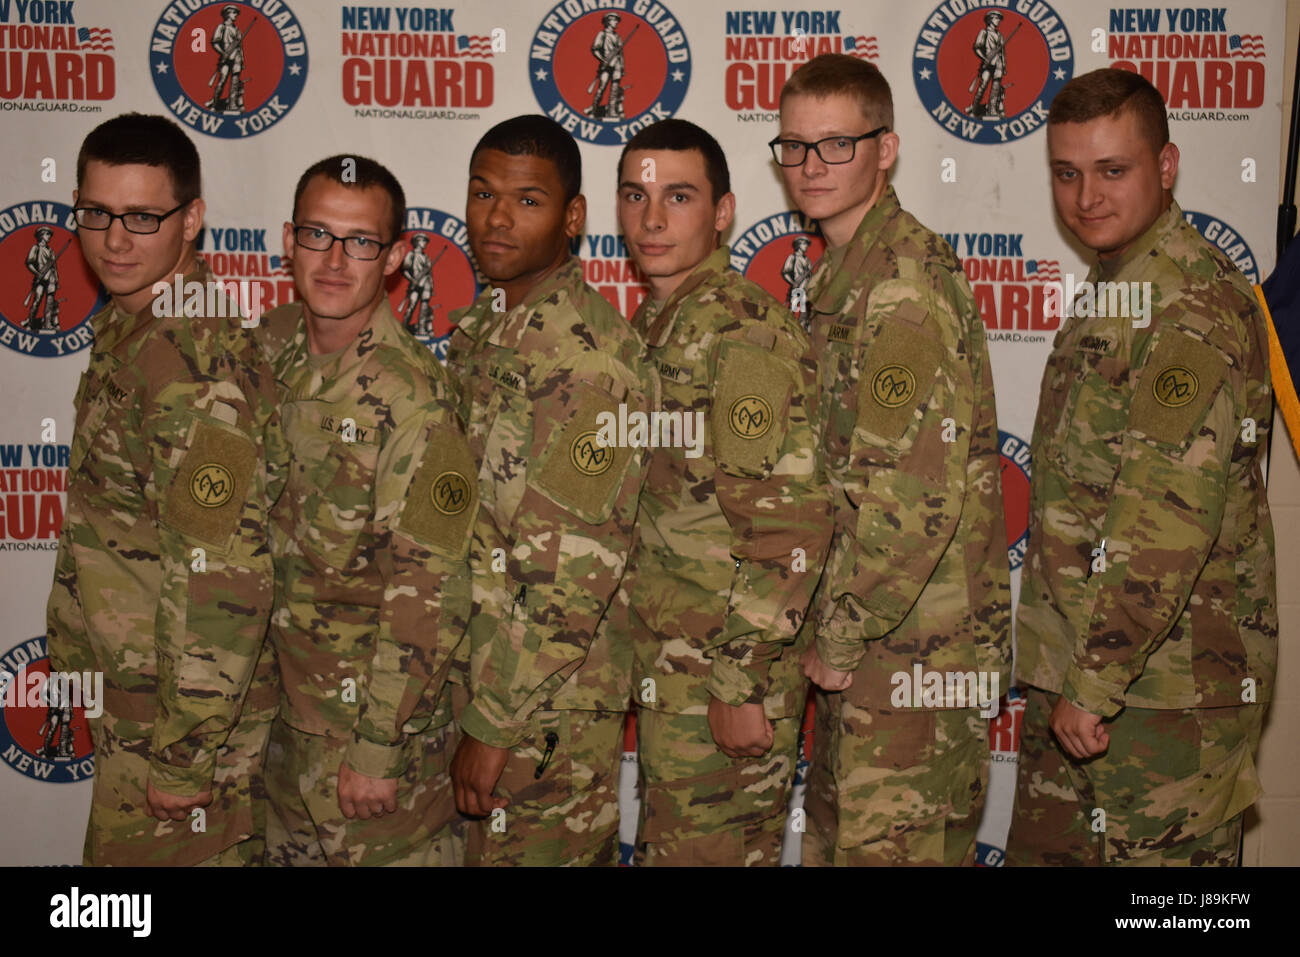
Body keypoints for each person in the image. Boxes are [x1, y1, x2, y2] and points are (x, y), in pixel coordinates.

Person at [1008, 68, 1276, 866]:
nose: (1086, 197)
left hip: (1160, 701)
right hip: (1092, 683)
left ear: (1166, 166)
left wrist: (1094, 681)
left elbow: (1164, 522)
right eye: (1067, 172)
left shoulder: (1188, 305)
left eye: (1112, 170)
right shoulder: (1120, 286)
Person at [773, 54, 1011, 866]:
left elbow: (909, 500)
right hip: (884, 641)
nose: (811, 166)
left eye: (836, 145)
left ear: (887, 148)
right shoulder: (850, 269)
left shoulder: (901, 284)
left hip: (912, 658)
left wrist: (835, 639)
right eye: (795, 146)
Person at [45, 112, 284, 866]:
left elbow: (222, 574)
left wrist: (184, 758)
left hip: (181, 739)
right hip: (141, 713)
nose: (116, 240)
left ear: (192, 220)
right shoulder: (136, 328)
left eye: (143, 217)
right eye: (97, 214)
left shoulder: (194, 363)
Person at [616, 118, 831, 865]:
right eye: (635, 195)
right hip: (670, 676)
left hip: (722, 682)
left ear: (724, 210)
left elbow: (791, 523)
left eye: (678, 196)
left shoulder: (743, 333)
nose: (652, 218)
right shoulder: (656, 325)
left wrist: (739, 682)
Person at [445, 114, 656, 866]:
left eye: (527, 200)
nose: (497, 217)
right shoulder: (485, 330)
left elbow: (574, 571)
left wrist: (496, 721)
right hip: (479, 683)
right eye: (482, 193)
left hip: (543, 716)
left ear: (572, 218)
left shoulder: (590, 362)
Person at [259, 155, 474, 866]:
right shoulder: (269, 350)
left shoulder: (417, 400)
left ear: (396, 256)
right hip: (282, 735)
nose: (334, 259)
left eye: (361, 241)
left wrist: (380, 741)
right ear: (288, 238)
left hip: (374, 760)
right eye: (318, 235)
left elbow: (433, 588)